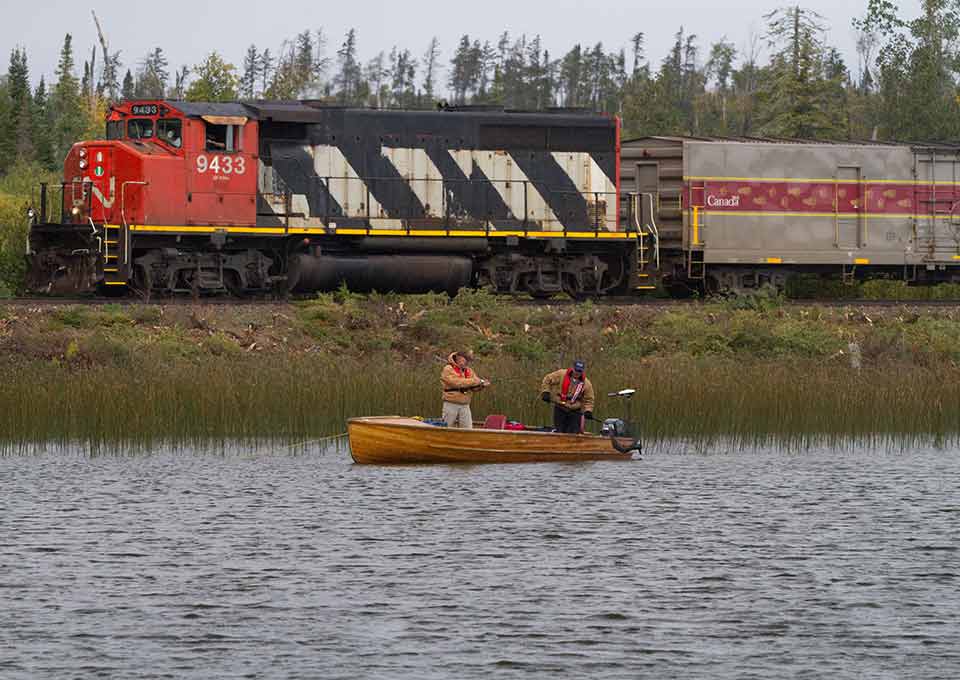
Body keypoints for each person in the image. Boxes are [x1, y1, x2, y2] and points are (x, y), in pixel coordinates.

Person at [540, 360, 595, 434]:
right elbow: (547, 379)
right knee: (559, 431)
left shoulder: (586, 384)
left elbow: (589, 400)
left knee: (573, 433)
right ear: (572, 368)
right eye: (576, 370)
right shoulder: (561, 374)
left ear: (582, 371)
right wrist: (545, 392)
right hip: (560, 408)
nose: (577, 373)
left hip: (575, 411)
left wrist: (588, 411)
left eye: (579, 371)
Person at [440, 351, 490, 429]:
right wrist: (477, 381)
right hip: (451, 403)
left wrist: (482, 385)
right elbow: (457, 382)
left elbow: (474, 387)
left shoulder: (469, 371)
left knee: (468, 428)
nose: (464, 363)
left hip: (465, 404)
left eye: (466, 361)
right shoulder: (448, 369)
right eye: (462, 360)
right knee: (447, 427)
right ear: (457, 359)